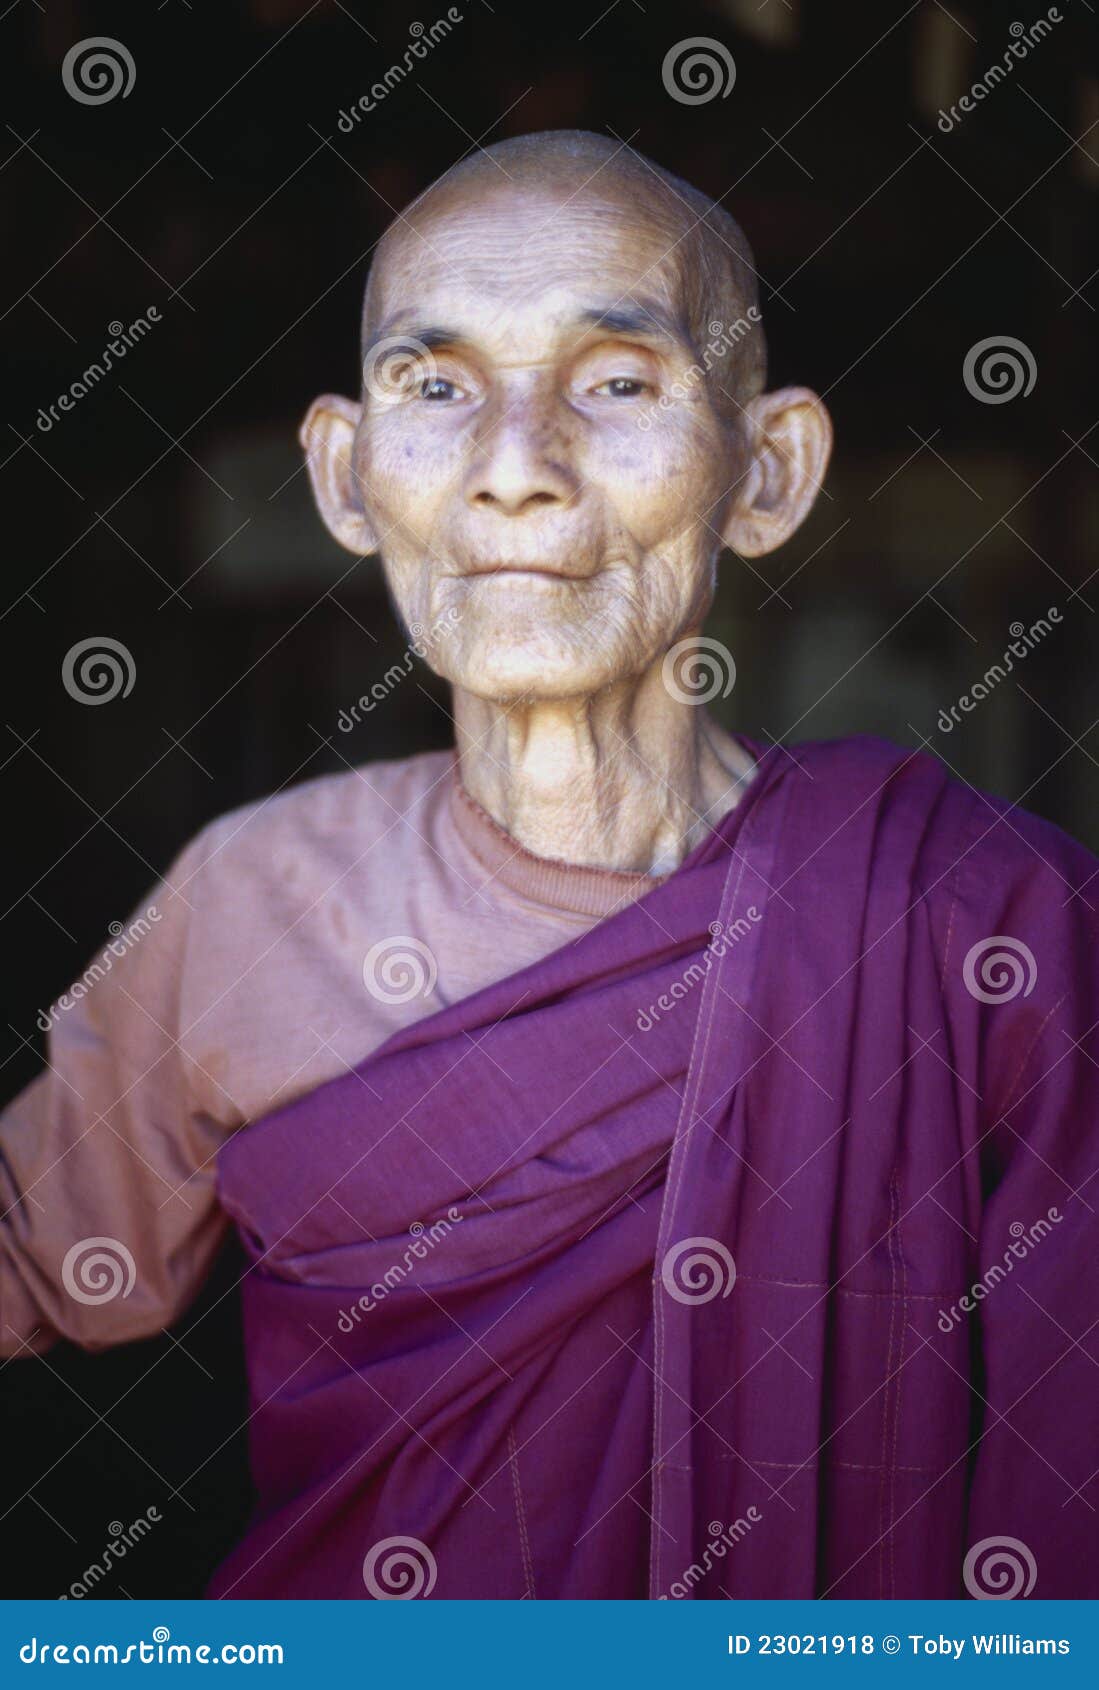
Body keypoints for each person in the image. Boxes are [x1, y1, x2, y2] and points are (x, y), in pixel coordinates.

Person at [2, 131, 1096, 1601]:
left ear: (768, 472)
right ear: (344, 473)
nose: (515, 469)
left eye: (619, 382)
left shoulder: (987, 923)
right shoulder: (253, 896)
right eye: (436, 386)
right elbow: (40, 1257)